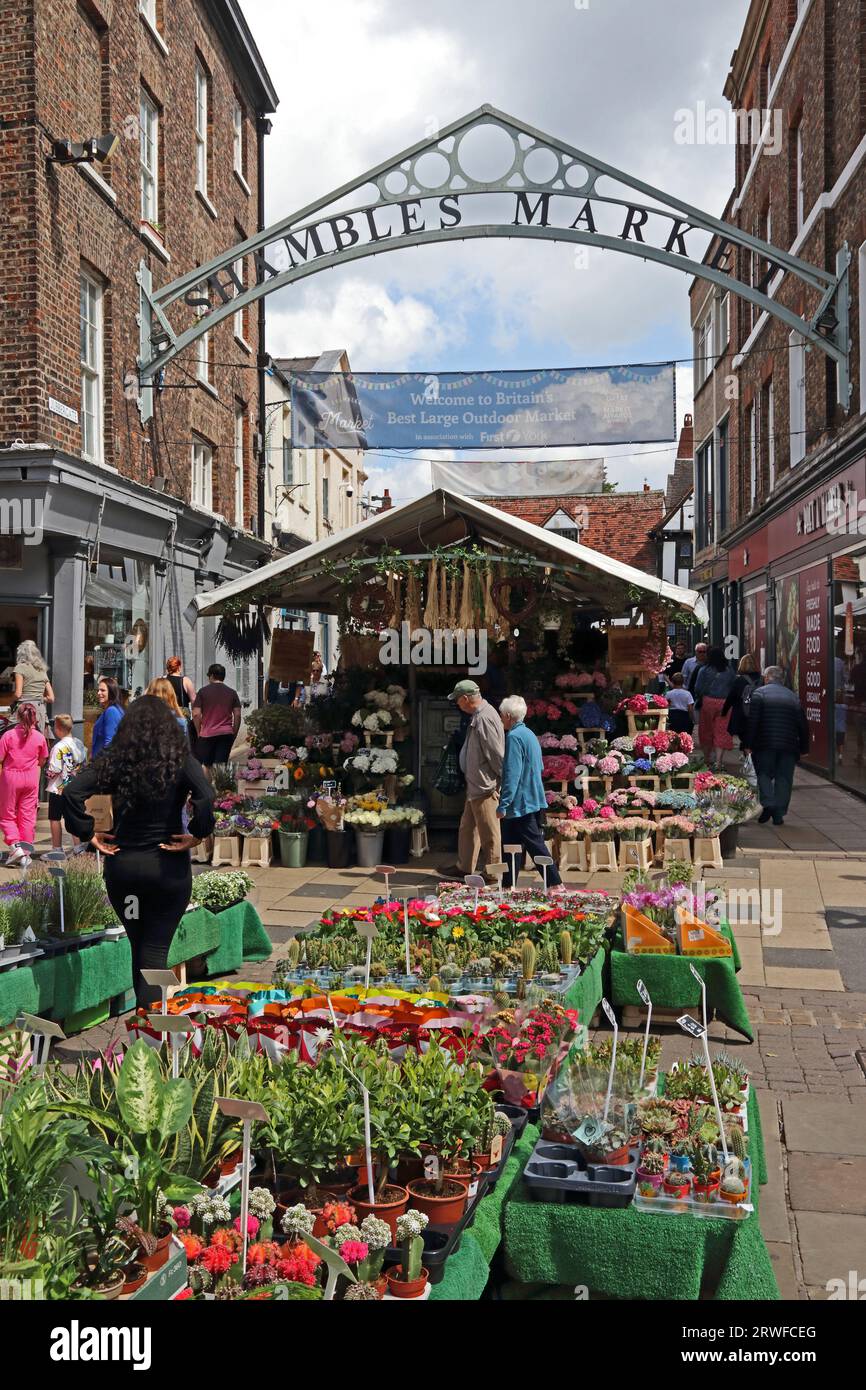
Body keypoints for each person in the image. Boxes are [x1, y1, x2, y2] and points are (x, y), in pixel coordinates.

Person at [60, 695, 215, 1007]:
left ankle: (145, 1029)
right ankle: (151, 1033)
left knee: (139, 947)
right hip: (166, 868)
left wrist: (88, 833)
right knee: (154, 951)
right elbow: (207, 796)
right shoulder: (180, 760)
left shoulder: (115, 760)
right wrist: (197, 834)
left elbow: (72, 792)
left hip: (124, 868)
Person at [441, 679, 504, 881]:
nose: (457, 705)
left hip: (486, 786)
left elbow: (496, 754)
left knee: (489, 832)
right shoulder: (479, 715)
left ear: (466, 699)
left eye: (457, 701)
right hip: (476, 785)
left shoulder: (484, 717)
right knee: (468, 828)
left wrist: (501, 782)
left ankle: (493, 873)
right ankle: (464, 866)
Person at [497, 695, 561, 888]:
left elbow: (512, 773)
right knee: (510, 844)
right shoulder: (530, 734)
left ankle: (555, 884)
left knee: (534, 843)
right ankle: (508, 886)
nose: (500, 719)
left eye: (501, 715)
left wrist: (503, 803)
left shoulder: (514, 737)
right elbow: (537, 766)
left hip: (520, 802)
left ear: (508, 716)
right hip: (532, 797)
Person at [747, 666, 810, 826]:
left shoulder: (759, 694)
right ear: (781, 679)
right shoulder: (793, 697)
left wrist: (748, 743)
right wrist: (804, 747)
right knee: (784, 778)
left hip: (764, 742)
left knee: (764, 773)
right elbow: (802, 724)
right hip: (789, 744)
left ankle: (768, 802)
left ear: (767, 678)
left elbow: (753, 721)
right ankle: (779, 813)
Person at [0, 702, 49, 866]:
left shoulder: (8, 736)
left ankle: (15, 846)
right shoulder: (40, 737)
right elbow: (42, 761)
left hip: (11, 777)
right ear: (35, 718)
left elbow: (0, 758)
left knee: (7, 815)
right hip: (30, 777)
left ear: (18, 716)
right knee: (28, 816)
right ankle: (25, 854)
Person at [46, 713, 87, 850]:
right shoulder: (79, 743)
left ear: (57, 728)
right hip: (75, 786)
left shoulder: (58, 747)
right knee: (73, 816)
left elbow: (55, 769)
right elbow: (83, 763)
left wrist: (47, 773)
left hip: (59, 788)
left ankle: (57, 848)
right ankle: (78, 847)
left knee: (55, 818)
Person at [192, 664, 241, 767]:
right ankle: (219, 783)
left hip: (207, 734)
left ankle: (208, 783)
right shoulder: (232, 693)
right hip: (226, 734)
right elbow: (237, 715)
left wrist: (199, 731)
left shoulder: (202, 692)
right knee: (221, 766)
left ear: (212, 676)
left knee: (206, 765)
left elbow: (196, 714)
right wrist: (234, 732)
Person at [695, 647, 736, 768]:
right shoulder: (729, 670)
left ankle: (707, 759)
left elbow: (697, 688)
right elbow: (733, 687)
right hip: (725, 703)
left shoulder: (704, 670)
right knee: (722, 731)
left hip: (708, 701)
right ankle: (718, 761)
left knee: (706, 730)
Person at [722, 654, 760, 764]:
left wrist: (724, 711)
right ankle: (753, 759)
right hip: (758, 714)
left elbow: (731, 698)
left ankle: (749, 761)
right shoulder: (762, 679)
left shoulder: (739, 680)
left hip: (742, 715)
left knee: (745, 738)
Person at [12, 640, 54, 734]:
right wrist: (38, 698)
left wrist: (12, 699)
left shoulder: (20, 667)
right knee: (37, 738)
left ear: (21, 654)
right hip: (39, 711)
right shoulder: (42, 670)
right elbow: (51, 698)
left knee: (15, 736)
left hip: (24, 710)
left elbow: (18, 694)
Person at [90, 676, 124, 758]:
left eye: (103, 690)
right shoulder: (115, 709)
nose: (98, 693)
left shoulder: (111, 711)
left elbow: (110, 742)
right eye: (98, 690)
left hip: (103, 763)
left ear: (111, 692)